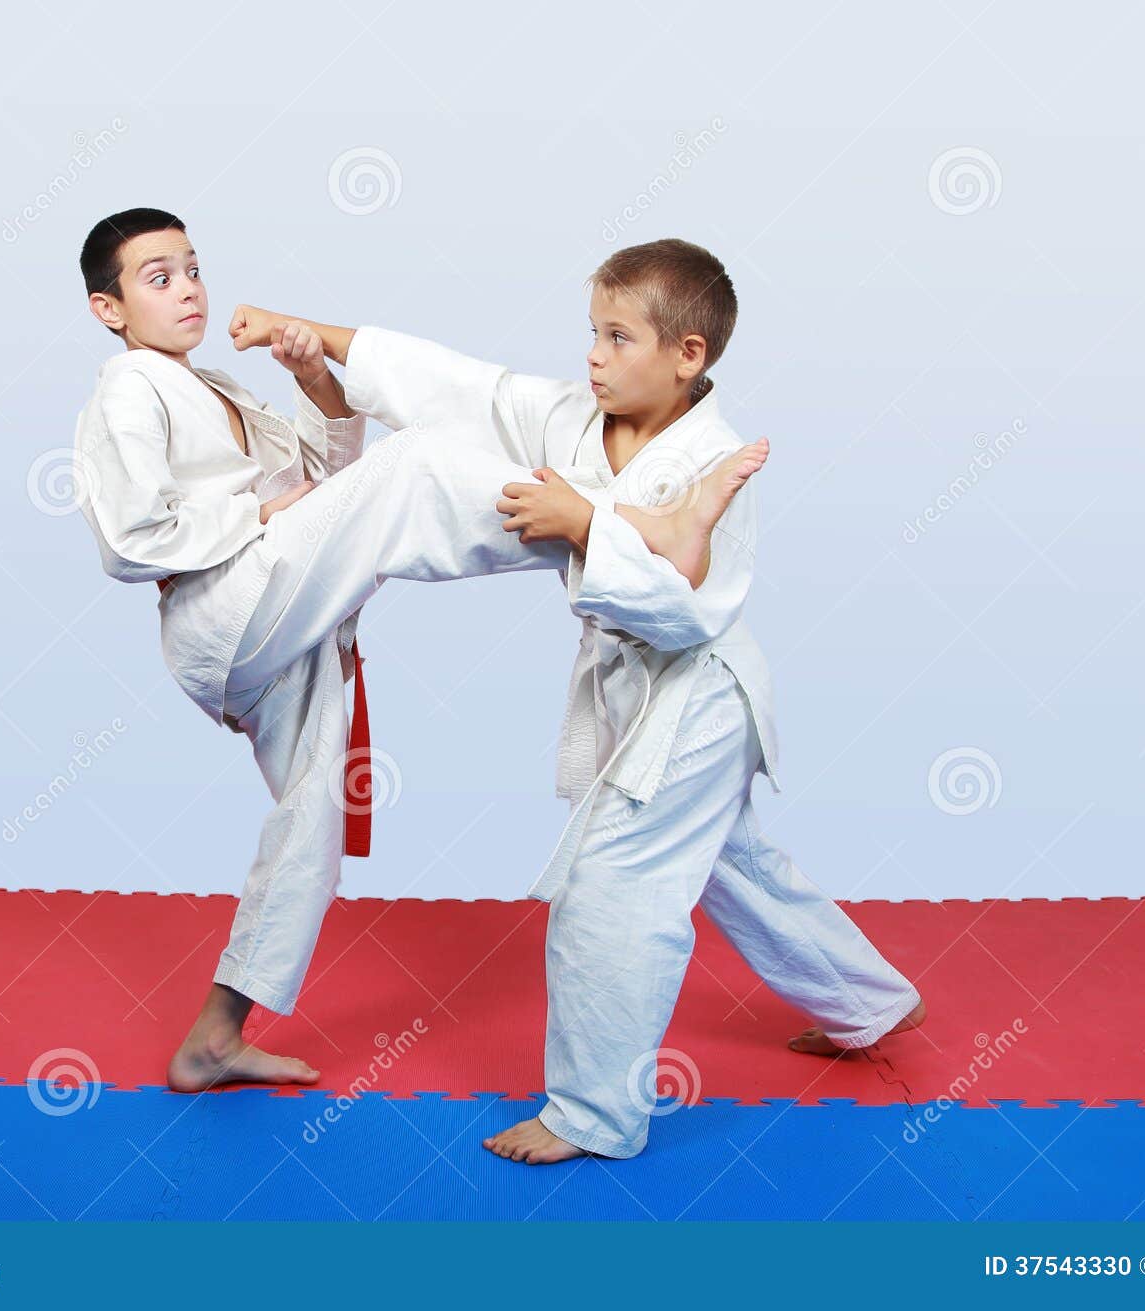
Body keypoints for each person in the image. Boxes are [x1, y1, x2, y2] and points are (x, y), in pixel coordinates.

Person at [239, 238, 926, 1163]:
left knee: (612, 891)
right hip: (645, 701)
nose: (594, 356)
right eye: (591, 333)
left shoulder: (715, 465)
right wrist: (315, 336)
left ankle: (594, 1115)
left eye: (618, 337)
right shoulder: (573, 417)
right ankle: (871, 1001)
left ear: (689, 355)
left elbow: (686, 616)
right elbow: (459, 387)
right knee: (735, 865)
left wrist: (585, 524)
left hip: (696, 703)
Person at [71, 211, 761, 1096]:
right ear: (109, 308)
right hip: (225, 610)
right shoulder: (130, 385)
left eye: (194, 268)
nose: (191, 288)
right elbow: (130, 540)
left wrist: (320, 383)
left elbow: (327, 494)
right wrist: (257, 516)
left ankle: (214, 1038)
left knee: (307, 826)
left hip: (287, 608)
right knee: (420, 466)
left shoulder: (215, 389)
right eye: (158, 277)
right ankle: (625, 525)